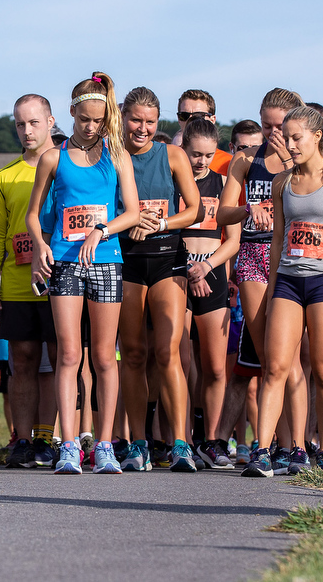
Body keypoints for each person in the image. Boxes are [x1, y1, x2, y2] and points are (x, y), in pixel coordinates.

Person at [26, 73, 140, 474]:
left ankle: (105, 445)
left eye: (97, 120)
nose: (90, 126)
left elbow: (133, 211)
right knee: (70, 354)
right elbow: (32, 215)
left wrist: (102, 229)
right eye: (84, 119)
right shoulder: (53, 158)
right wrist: (40, 245)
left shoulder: (117, 154)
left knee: (106, 357)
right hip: (65, 262)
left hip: (107, 260)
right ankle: (69, 445)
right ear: (72, 113)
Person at [243, 106, 323, 476]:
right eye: (287, 137)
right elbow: (279, 239)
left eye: (297, 138)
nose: (290, 145)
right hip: (289, 283)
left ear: (318, 136)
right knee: (275, 367)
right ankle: (262, 451)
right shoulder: (283, 183)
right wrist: (276, 287)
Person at [215, 89, 306, 475]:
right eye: (267, 125)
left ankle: (296, 447)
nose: (273, 133)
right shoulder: (245, 162)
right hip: (253, 255)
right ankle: (271, 447)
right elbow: (222, 213)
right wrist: (249, 208)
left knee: (291, 360)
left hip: (291, 259)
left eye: (280, 126)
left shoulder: (303, 164)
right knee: (270, 359)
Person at [116, 86, 201, 473]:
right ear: (123, 119)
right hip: (125, 261)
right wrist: (130, 222)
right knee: (133, 354)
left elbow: (195, 209)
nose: (143, 128)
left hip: (167, 258)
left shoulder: (172, 155)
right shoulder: (111, 156)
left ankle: (180, 442)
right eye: (136, 120)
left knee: (167, 351)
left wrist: (160, 224)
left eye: (150, 122)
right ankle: (137, 443)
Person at [0, 93, 59, 469]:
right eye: (19, 123)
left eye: (33, 122)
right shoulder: (5, 176)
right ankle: (23, 439)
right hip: (17, 282)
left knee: (59, 359)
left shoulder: (68, 166)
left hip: (61, 280)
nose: (26, 130)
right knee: (23, 360)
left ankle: (50, 438)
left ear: (50, 121)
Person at [178, 119, 241, 468]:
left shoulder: (222, 185)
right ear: (183, 149)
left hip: (212, 276)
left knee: (216, 368)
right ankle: (182, 439)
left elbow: (232, 240)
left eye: (207, 155)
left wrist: (206, 266)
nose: (201, 161)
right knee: (181, 364)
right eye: (194, 154)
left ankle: (213, 441)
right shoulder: (174, 183)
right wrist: (190, 267)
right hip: (178, 276)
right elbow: (166, 233)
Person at [171, 90, 232, 176]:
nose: (190, 120)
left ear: (212, 119)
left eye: (199, 116)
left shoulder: (228, 163)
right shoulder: (167, 160)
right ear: (179, 119)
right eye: (184, 116)